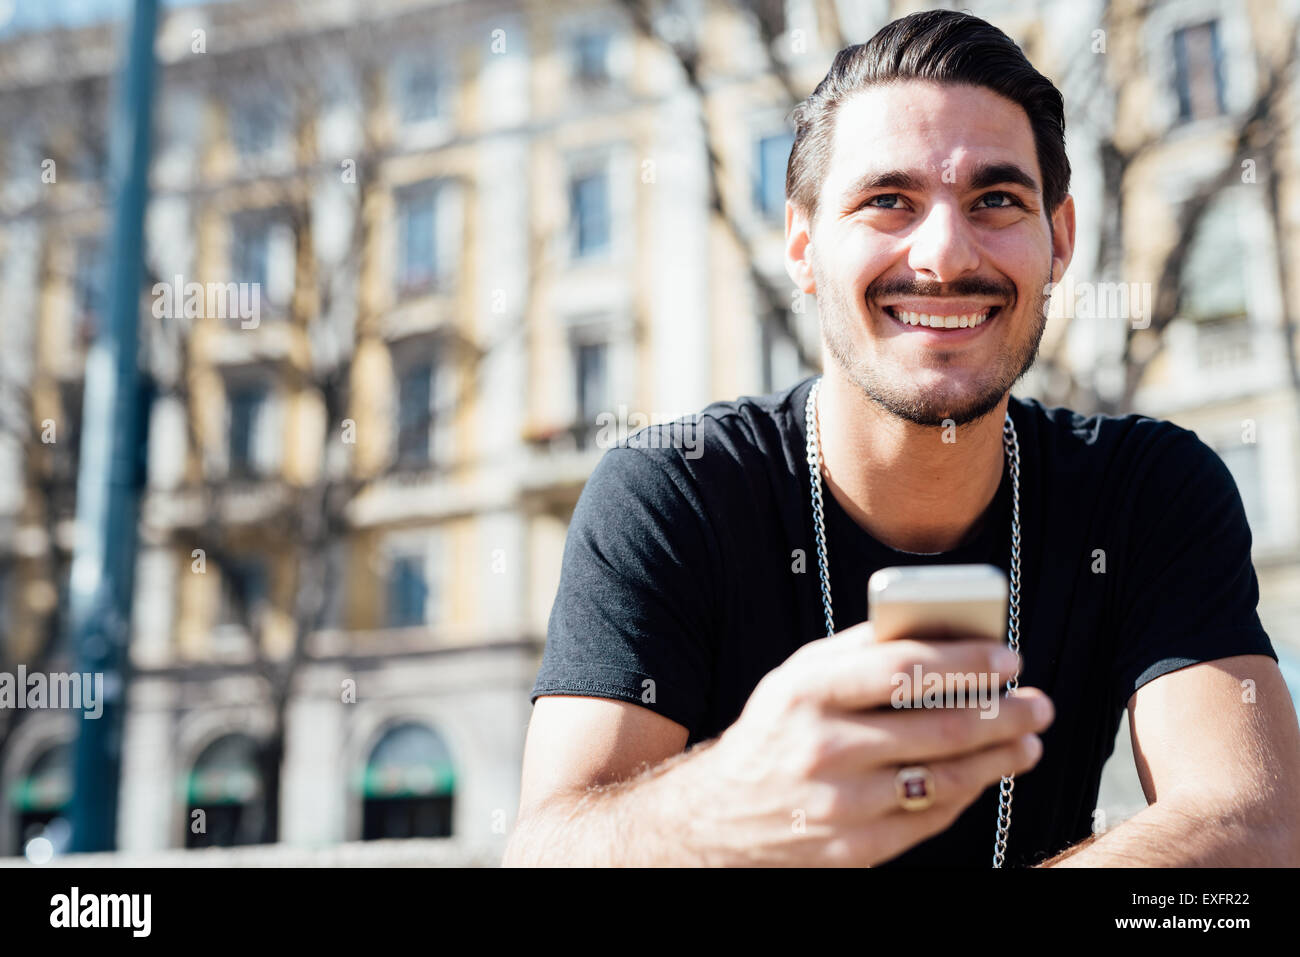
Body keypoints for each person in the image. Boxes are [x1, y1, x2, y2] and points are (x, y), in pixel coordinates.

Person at [504, 9, 1300, 867]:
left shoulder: (1150, 488)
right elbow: (548, 848)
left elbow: (1254, 826)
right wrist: (730, 795)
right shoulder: (671, 491)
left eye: (996, 199)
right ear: (803, 246)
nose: (945, 253)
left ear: (1059, 239)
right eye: (889, 200)